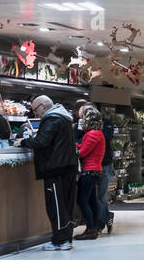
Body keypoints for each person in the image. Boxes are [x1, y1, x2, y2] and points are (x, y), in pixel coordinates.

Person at [21, 95, 78, 251]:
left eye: (35, 110)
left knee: (56, 206)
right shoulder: (64, 117)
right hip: (68, 166)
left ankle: (60, 240)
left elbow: (41, 141)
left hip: (55, 168)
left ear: (44, 106)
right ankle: (66, 238)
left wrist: (24, 141)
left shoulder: (52, 119)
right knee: (66, 205)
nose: (35, 114)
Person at [74, 107, 107, 240]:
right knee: (91, 200)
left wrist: (76, 145)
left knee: (82, 201)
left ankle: (91, 229)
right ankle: (93, 227)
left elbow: (82, 153)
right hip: (94, 171)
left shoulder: (92, 134)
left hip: (89, 171)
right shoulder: (98, 133)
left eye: (83, 119)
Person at [98, 110, 116, 234]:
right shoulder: (80, 124)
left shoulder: (106, 123)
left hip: (104, 163)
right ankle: (105, 217)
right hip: (91, 165)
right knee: (94, 196)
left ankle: (99, 224)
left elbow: (107, 137)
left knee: (102, 195)